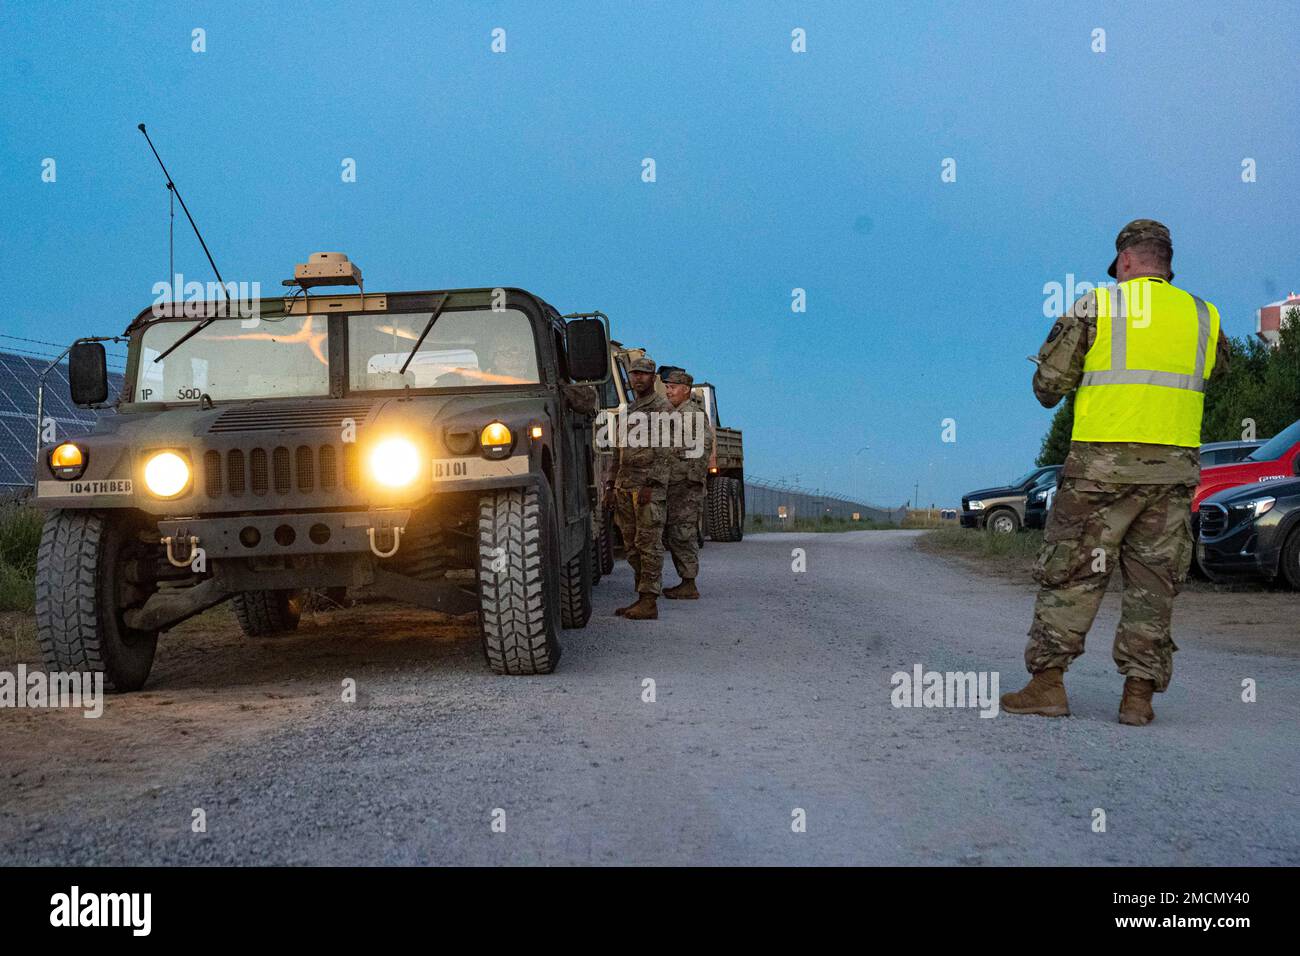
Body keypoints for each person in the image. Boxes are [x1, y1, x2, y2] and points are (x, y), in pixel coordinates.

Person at [1002, 219, 1231, 726]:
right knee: (1154, 585)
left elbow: (1048, 389)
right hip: (1172, 474)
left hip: (1099, 472)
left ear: (1125, 260)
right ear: (1166, 263)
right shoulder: (1203, 314)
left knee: (1073, 574)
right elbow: (1220, 371)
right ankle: (1138, 698)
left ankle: (1047, 686)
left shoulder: (1094, 305)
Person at [607, 356, 674, 620]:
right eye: (634, 374)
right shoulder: (630, 409)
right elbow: (618, 451)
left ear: (653, 377)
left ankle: (649, 601)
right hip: (625, 486)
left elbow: (667, 450)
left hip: (647, 488)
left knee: (649, 544)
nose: (638, 378)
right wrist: (611, 485)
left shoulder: (662, 408)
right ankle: (640, 596)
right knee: (631, 545)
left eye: (643, 374)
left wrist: (652, 483)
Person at [661, 368, 713, 599]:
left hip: (685, 486)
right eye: (667, 387)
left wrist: (692, 479)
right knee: (674, 533)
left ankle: (689, 583)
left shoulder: (691, 413)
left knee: (683, 533)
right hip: (675, 483)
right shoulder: (676, 412)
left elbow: (703, 447)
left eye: (672, 387)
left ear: (685, 390)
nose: (668, 391)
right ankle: (686, 580)